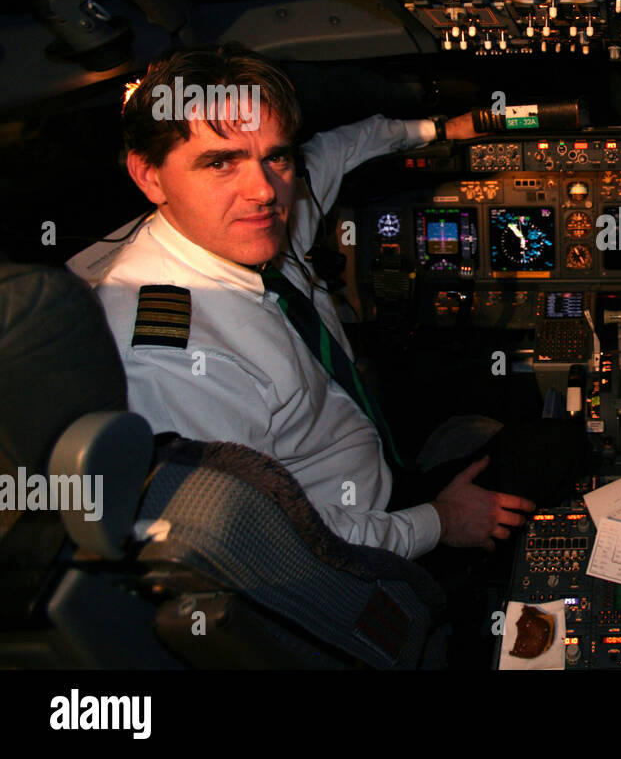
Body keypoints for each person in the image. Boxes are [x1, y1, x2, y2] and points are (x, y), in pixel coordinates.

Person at [72, 43, 533, 560]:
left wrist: (440, 129)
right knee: (552, 453)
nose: (265, 191)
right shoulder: (168, 356)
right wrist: (438, 522)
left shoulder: (251, 224)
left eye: (275, 156)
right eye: (222, 162)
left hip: (372, 454)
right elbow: (271, 537)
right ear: (149, 175)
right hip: (361, 539)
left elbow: (340, 148)